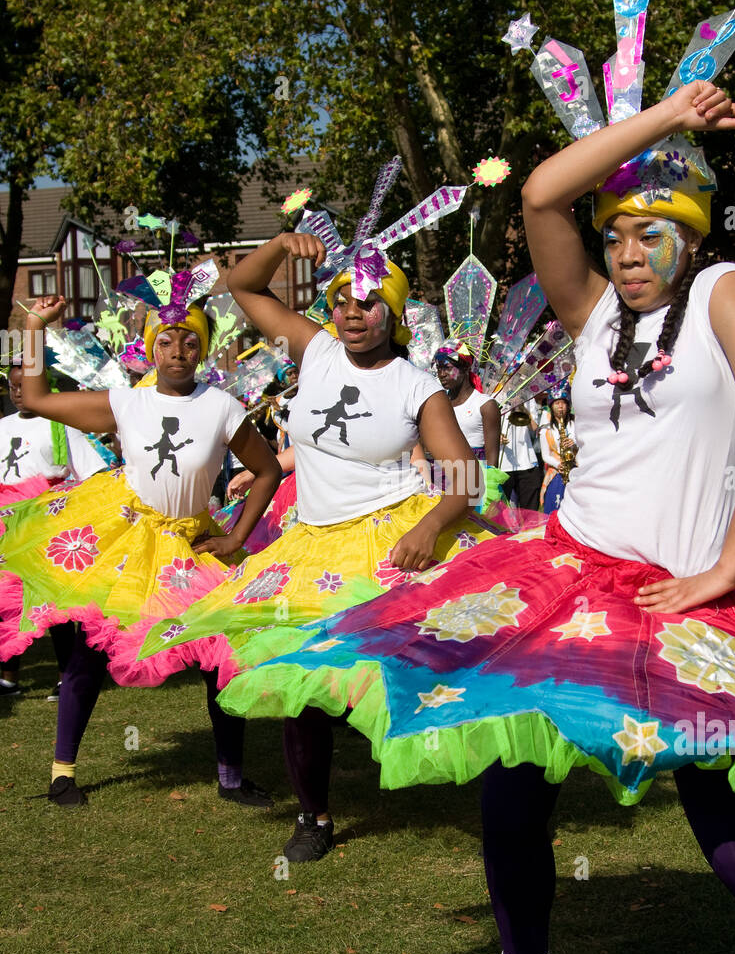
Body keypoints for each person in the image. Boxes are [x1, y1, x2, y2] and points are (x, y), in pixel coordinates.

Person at [225, 82, 735, 954]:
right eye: (613, 232)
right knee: (512, 786)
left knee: (729, 830)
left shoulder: (721, 289)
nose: (625, 249)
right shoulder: (594, 308)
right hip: (565, 577)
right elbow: (536, 193)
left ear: (690, 238)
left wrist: (723, 571)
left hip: (679, 599)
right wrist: (661, 120)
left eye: (651, 230)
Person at [117, 232, 495, 861]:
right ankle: (313, 817)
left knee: (428, 665)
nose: (353, 311)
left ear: (393, 317)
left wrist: (429, 528)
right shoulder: (316, 350)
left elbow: (464, 476)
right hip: (313, 546)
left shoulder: (415, 384)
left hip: (390, 535)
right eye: (344, 299)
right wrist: (281, 245)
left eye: (370, 303)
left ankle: (490, 782)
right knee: (303, 682)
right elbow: (242, 287)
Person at [0, 290, 281, 808]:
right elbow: (37, 399)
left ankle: (231, 776)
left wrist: (236, 537)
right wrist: (35, 326)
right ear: (152, 348)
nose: (177, 350)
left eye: (190, 342)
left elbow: (266, 471)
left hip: (190, 545)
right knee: (89, 648)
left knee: (220, 651)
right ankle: (63, 774)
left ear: (203, 350)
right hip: (124, 538)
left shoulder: (222, 407)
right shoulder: (126, 401)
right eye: (167, 340)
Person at [0, 363, 105, 698]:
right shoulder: (2, 427)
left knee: (54, 605)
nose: (19, 393)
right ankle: (8, 678)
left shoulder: (61, 427)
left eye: (25, 385)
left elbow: (94, 473)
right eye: (14, 387)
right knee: (9, 602)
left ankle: (66, 676)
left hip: (47, 522)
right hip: (7, 524)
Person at [433, 343, 502, 507]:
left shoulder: (485, 405)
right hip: (442, 479)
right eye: (438, 368)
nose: (441, 374)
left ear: (464, 368)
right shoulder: (438, 405)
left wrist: (489, 497)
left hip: (474, 483)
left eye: (447, 368)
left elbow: (492, 460)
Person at [538, 384, 576, 512]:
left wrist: (574, 442)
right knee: (556, 504)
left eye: (563, 403)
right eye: (557, 403)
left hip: (576, 467)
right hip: (557, 471)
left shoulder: (576, 423)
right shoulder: (546, 429)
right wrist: (558, 464)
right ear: (551, 406)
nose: (560, 406)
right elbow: (545, 455)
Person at [499, 403, 542, 511]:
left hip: (526, 462)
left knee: (530, 511)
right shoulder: (494, 392)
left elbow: (534, 427)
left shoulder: (528, 396)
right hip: (502, 463)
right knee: (499, 512)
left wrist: (521, 406)